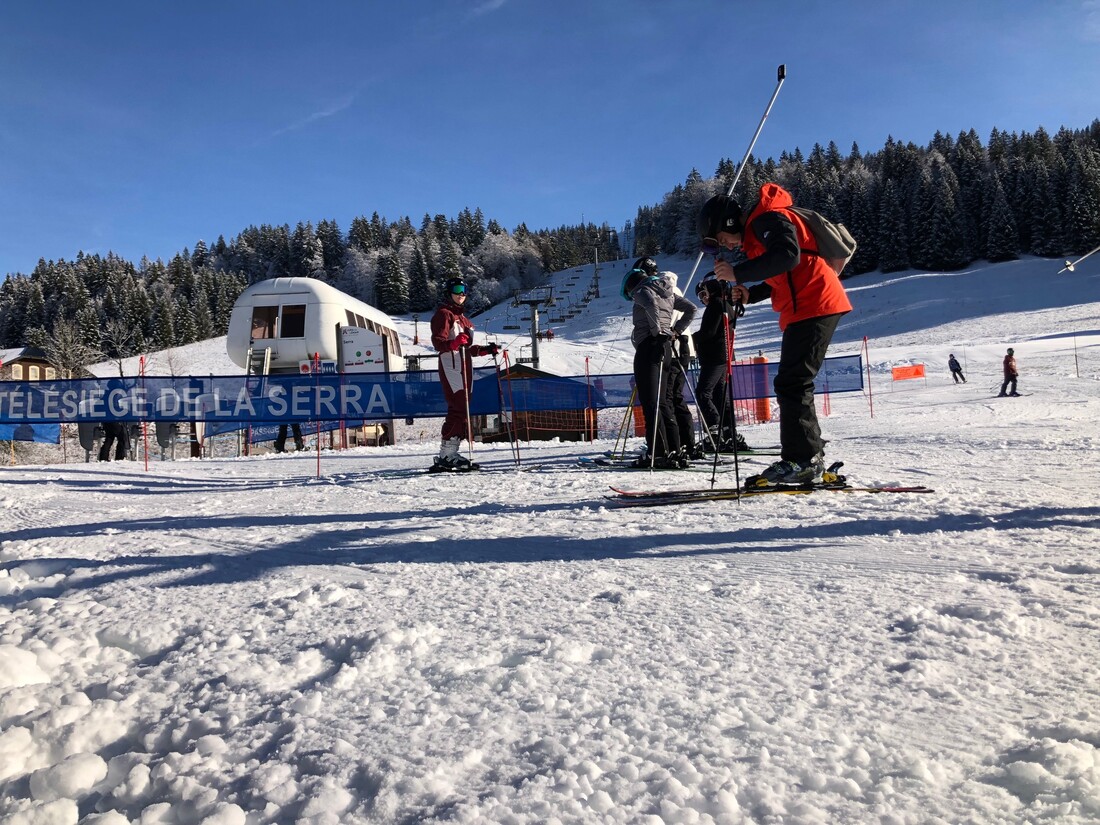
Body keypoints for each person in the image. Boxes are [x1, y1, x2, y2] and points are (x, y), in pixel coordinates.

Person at [699, 183, 852, 485]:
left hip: (816, 302)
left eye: (722, 238)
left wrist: (738, 273)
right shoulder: (759, 231)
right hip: (805, 305)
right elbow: (782, 275)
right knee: (793, 382)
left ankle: (802, 460)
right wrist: (749, 294)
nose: (727, 246)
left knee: (792, 383)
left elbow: (788, 256)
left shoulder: (765, 218)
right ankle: (808, 456)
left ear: (729, 223)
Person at [622, 257, 695, 469]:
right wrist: (675, 330)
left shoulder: (641, 291)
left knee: (651, 403)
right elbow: (691, 309)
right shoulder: (668, 291)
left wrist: (657, 332)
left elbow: (651, 304)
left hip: (649, 348)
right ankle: (674, 449)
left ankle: (658, 453)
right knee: (663, 402)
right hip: (665, 348)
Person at [430, 276, 499, 470]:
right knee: (458, 407)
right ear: (449, 291)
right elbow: (438, 342)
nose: (462, 294)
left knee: (463, 409)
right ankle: (446, 454)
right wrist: (453, 343)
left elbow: (466, 348)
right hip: (451, 365)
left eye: (465, 290)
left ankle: (450, 452)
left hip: (465, 366)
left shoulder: (463, 319)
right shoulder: (444, 314)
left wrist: (484, 350)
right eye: (458, 289)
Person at [692, 273, 750, 453]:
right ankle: (728, 432)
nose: (703, 299)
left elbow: (708, 332)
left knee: (703, 393)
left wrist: (689, 339)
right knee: (719, 395)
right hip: (724, 356)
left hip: (714, 357)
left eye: (704, 294)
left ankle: (714, 433)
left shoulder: (716, 305)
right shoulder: (727, 305)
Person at [661, 271, 698, 461]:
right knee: (675, 396)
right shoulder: (676, 292)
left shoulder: (670, 294)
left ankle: (678, 441)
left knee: (669, 396)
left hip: (676, 350)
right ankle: (685, 440)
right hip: (684, 350)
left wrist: (674, 331)